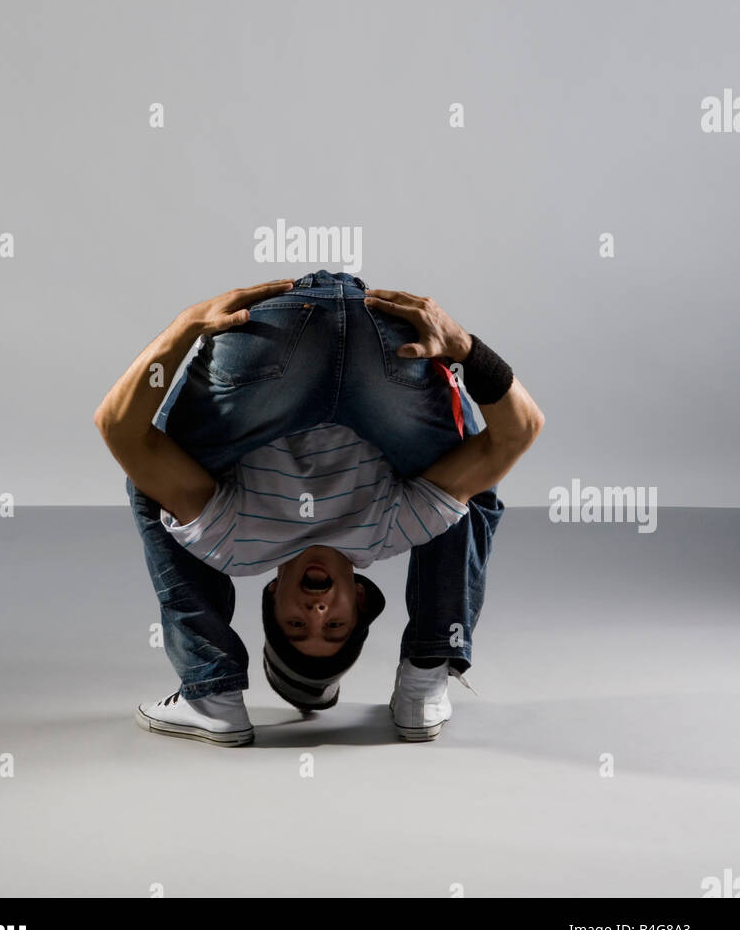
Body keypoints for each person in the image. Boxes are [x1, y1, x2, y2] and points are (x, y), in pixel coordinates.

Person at [93, 271, 544, 744]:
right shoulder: (395, 527)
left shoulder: (234, 541)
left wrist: (184, 327)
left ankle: (211, 691)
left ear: (270, 596)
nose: (316, 608)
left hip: (271, 350)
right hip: (383, 352)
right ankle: (426, 670)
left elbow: (120, 428)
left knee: (151, 483)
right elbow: (519, 431)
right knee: (476, 485)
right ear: (362, 600)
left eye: (295, 624)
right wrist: (467, 348)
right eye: (334, 625)